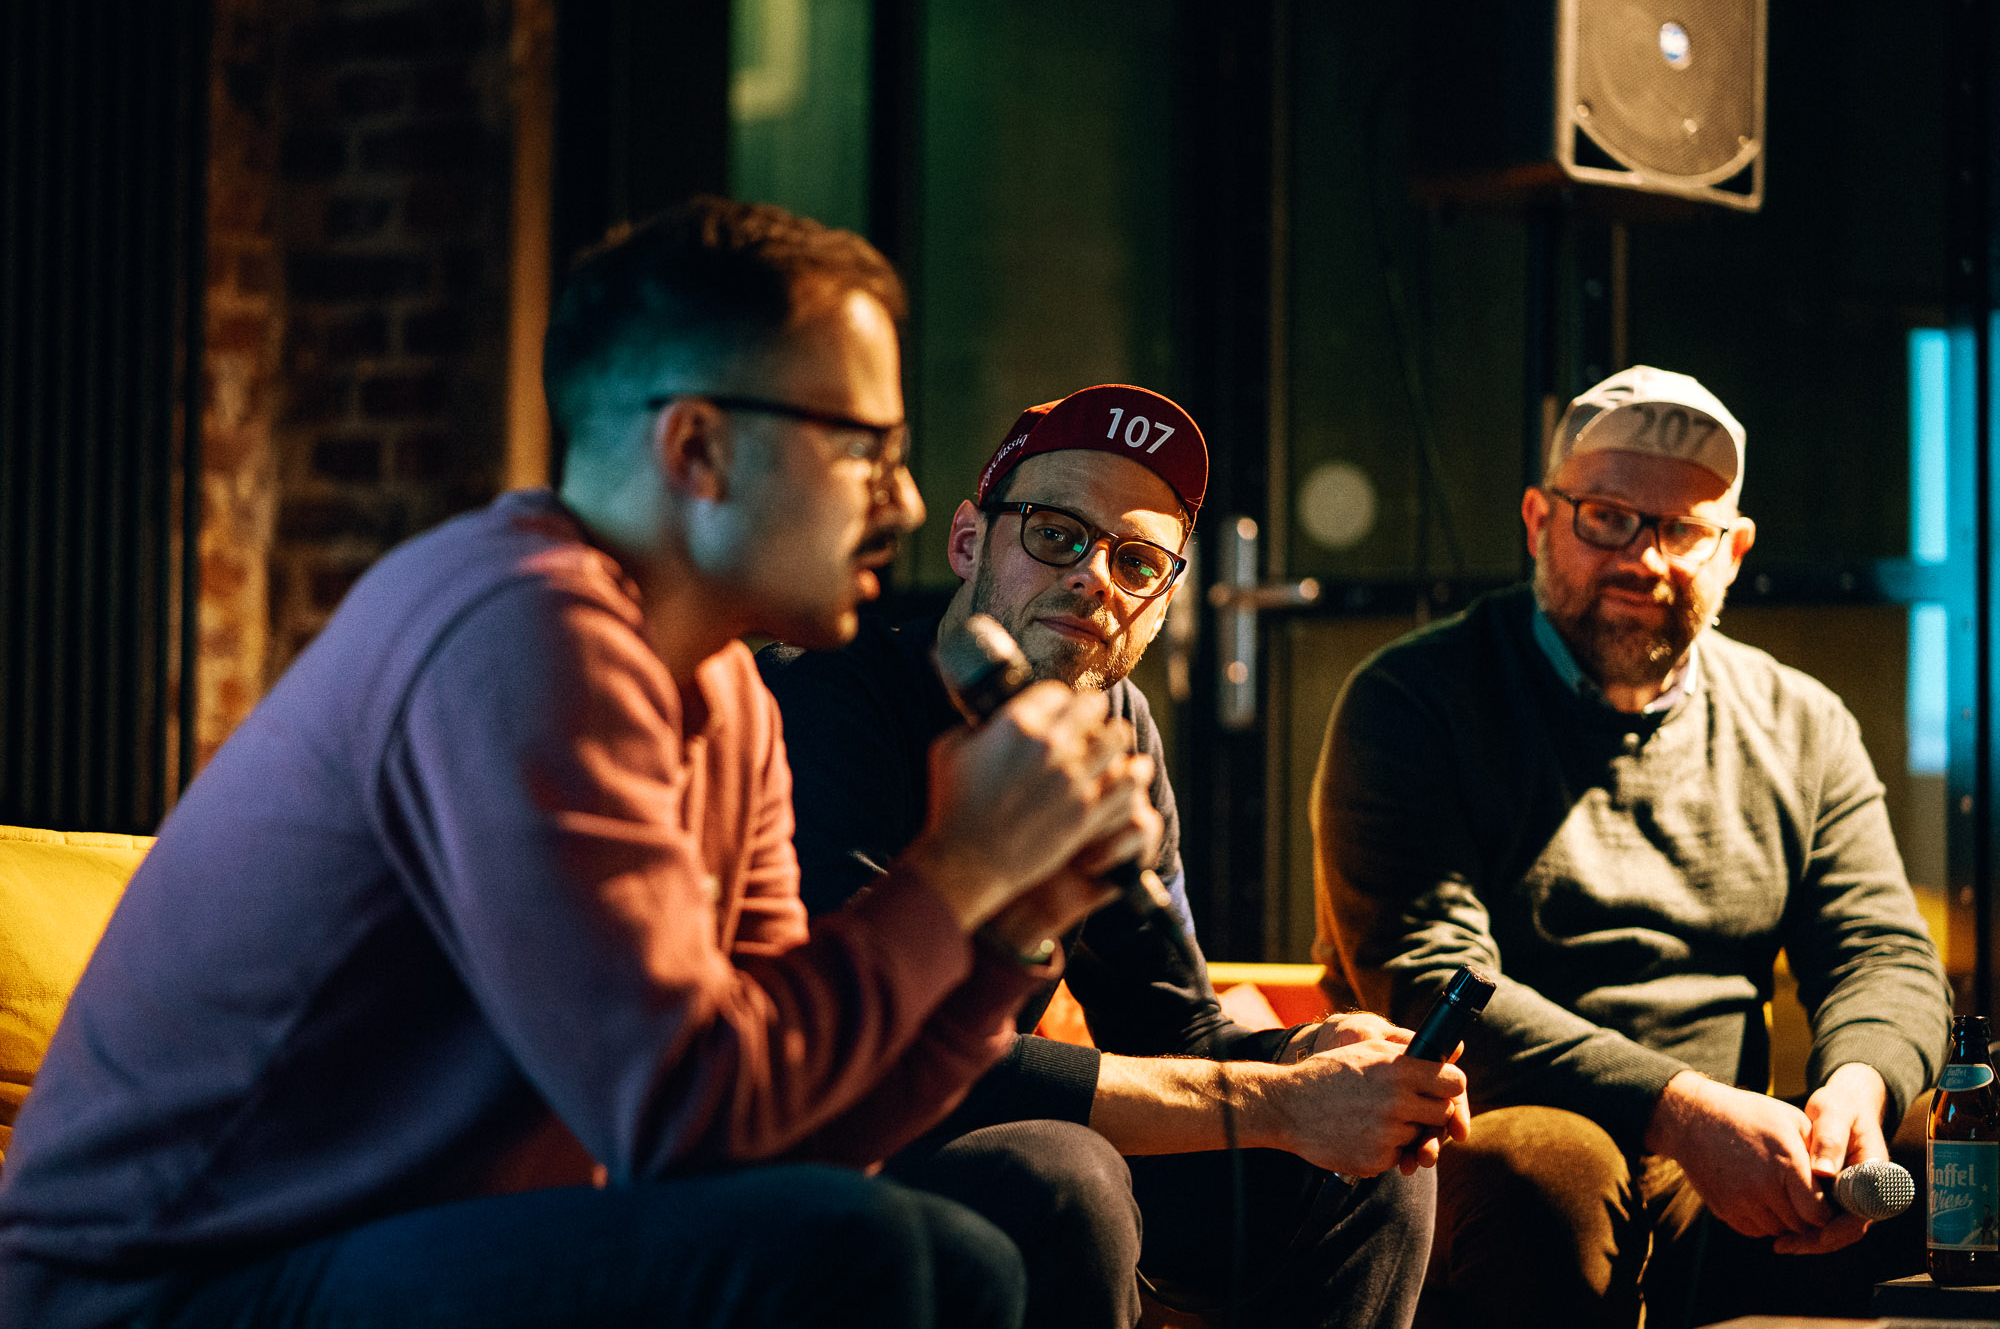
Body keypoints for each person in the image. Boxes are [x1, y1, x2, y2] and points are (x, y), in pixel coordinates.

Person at [0, 198, 1165, 1329]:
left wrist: (1008, 934)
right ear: (698, 448)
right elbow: (687, 1117)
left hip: (393, 1251)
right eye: (865, 449)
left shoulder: (728, 693)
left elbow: (787, 1138)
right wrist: (953, 871)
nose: (905, 501)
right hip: (174, 1285)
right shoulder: (521, 631)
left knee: (949, 1249)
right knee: (870, 1255)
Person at [759, 383, 1468, 1329]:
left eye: (1138, 561)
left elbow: (1172, 1026)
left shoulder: (1120, 730)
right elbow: (868, 1056)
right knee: (1065, 1172)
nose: (1099, 578)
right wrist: (1282, 1099)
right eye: (1056, 534)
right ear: (969, 540)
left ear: (1166, 601)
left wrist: (1316, 1060)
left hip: (999, 1115)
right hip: (835, 1145)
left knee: (1365, 1168)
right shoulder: (835, 701)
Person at [1311, 365, 1952, 1328]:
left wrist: (1857, 1088)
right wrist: (1684, 1108)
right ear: (1538, 522)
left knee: (1969, 1169)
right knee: (1556, 1172)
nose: (1642, 558)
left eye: (1684, 529)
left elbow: (1882, 951)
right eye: (1605, 517)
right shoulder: (1413, 701)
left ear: (1731, 551)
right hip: (1489, 1126)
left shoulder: (1799, 721)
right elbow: (1431, 978)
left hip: (1736, 1147)